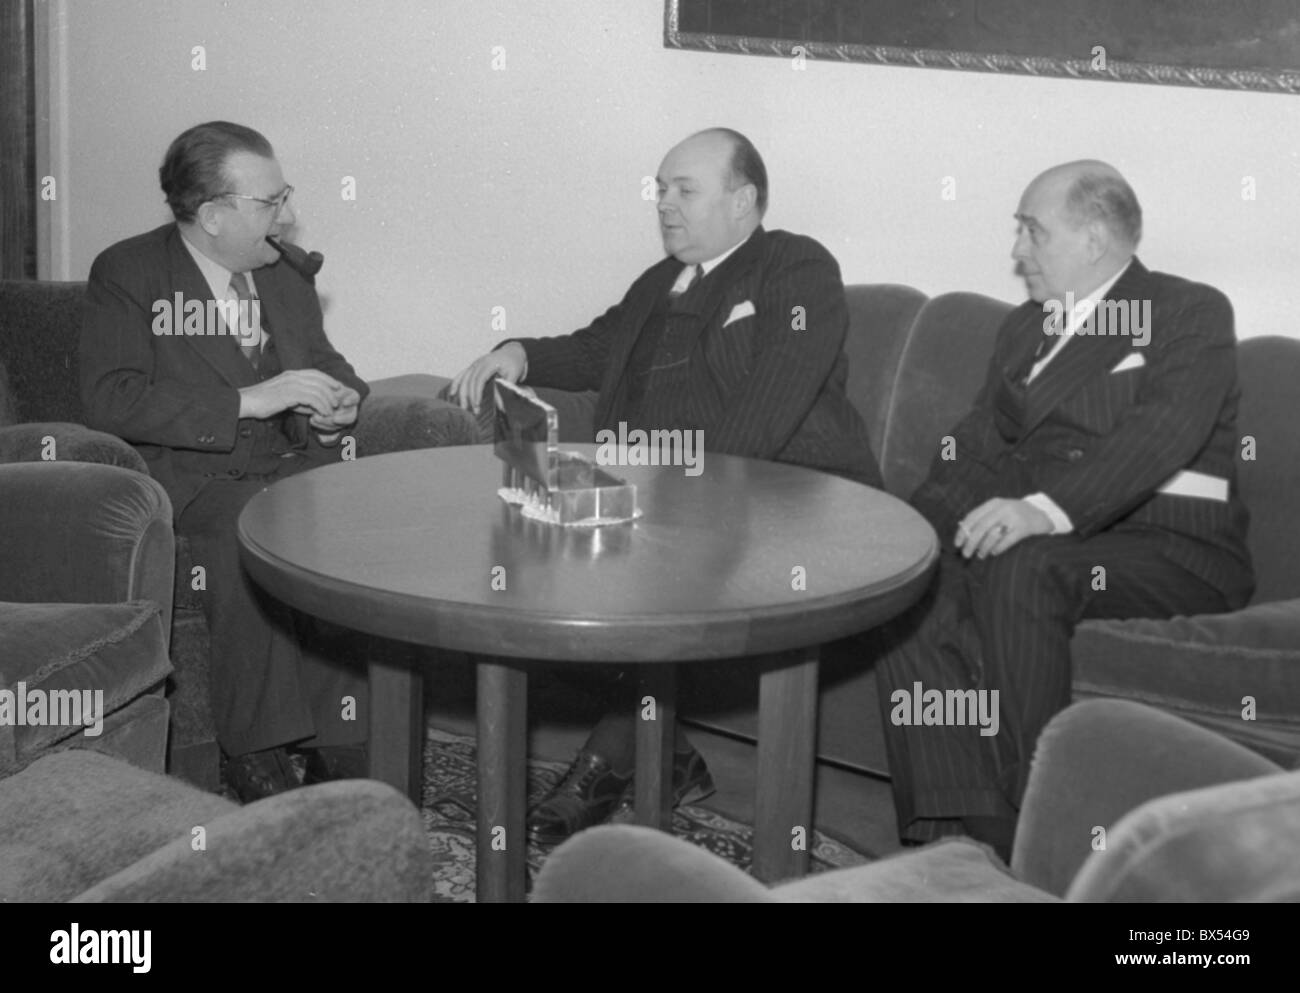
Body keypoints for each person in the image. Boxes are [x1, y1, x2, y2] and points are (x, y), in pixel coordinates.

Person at [449, 127, 881, 844]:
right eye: (660, 190)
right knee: (520, 546)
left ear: (744, 200)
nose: (666, 205)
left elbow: (763, 417)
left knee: (640, 565)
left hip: (790, 497)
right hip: (666, 492)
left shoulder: (794, 267)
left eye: (685, 189)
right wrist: (517, 350)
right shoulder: (659, 281)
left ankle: (601, 768)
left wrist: (651, 504)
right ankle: (664, 753)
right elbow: (596, 346)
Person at [873, 160, 1254, 860]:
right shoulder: (1027, 329)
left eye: (1032, 231)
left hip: (1167, 548)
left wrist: (1045, 508)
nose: (1017, 250)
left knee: (1023, 561)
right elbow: (975, 445)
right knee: (909, 595)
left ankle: (1041, 823)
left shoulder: (1187, 312)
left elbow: (1163, 433)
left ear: (1095, 239)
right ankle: (967, 838)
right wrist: (906, 536)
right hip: (1052, 539)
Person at [80, 121, 371, 802]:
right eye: (270, 202)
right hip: (192, 481)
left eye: (284, 196)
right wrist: (248, 399)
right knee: (255, 527)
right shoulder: (129, 272)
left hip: (284, 467)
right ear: (213, 215)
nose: (286, 215)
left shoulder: (283, 273)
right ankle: (258, 755)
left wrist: (341, 404)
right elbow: (110, 398)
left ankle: (348, 744)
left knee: (352, 523)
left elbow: (329, 366)